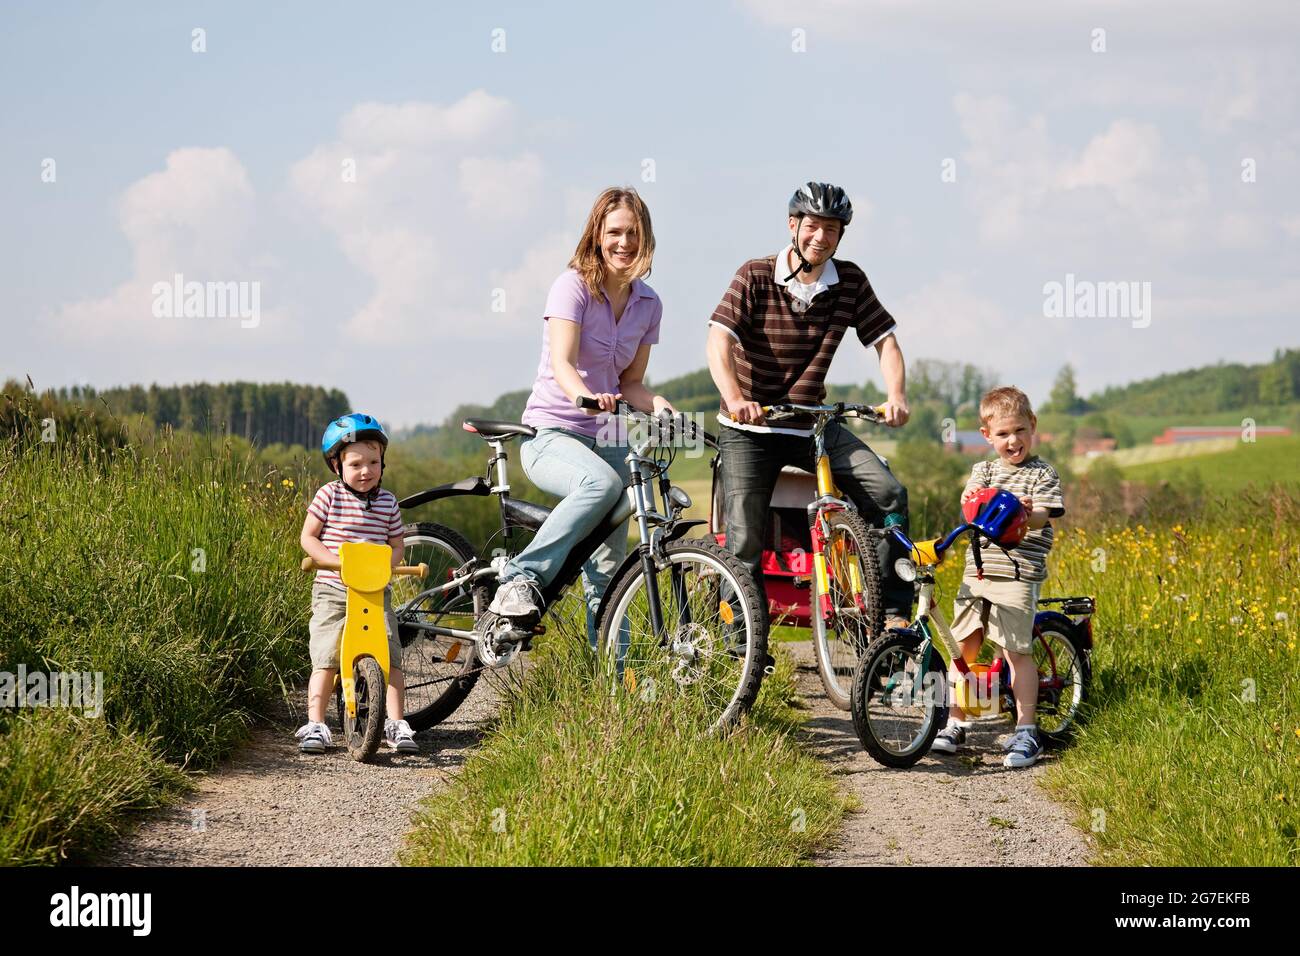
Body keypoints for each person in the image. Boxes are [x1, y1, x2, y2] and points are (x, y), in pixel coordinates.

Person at [705, 182, 913, 628]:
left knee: (889, 494)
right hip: (750, 429)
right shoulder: (755, 274)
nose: (821, 238)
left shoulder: (850, 280)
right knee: (743, 540)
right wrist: (737, 398)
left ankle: (891, 615)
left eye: (832, 230)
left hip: (810, 426)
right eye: (813, 226)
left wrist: (896, 396)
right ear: (793, 225)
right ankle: (739, 640)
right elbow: (717, 341)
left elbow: (886, 342)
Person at [489, 187, 676, 648]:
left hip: (609, 433)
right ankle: (520, 578)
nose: (624, 242)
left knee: (609, 564)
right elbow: (563, 364)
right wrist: (586, 397)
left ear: (646, 238)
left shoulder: (649, 304)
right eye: (614, 232)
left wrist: (659, 404)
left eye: (633, 233)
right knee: (603, 485)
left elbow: (630, 382)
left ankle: (617, 684)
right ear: (597, 234)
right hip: (551, 431)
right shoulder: (571, 286)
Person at [930, 386, 1066, 768]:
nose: (1013, 441)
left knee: (1015, 651)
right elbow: (970, 502)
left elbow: (1044, 515)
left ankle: (1026, 730)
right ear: (987, 436)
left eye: (1020, 431)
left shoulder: (1041, 474)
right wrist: (975, 499)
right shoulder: (984, 471)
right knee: (963, 649)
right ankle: (956, 721)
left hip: (1018, 573)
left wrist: (1027, 512)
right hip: (978, 570)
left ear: (1032, 426)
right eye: (1003, 434)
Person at [296, 413, 418, 754]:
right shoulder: (329, 496)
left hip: (374, 591)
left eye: (374, 462)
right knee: (327, 655)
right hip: (334, 587)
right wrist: (330, 560)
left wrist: (389, 566)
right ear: (337, 466)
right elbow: (308, 537)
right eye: (356, 464)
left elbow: (396, 544)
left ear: (383, 463)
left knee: (389, 655)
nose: (366, 471)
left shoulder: (387, 502)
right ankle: (316, 724)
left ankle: (395, 722)